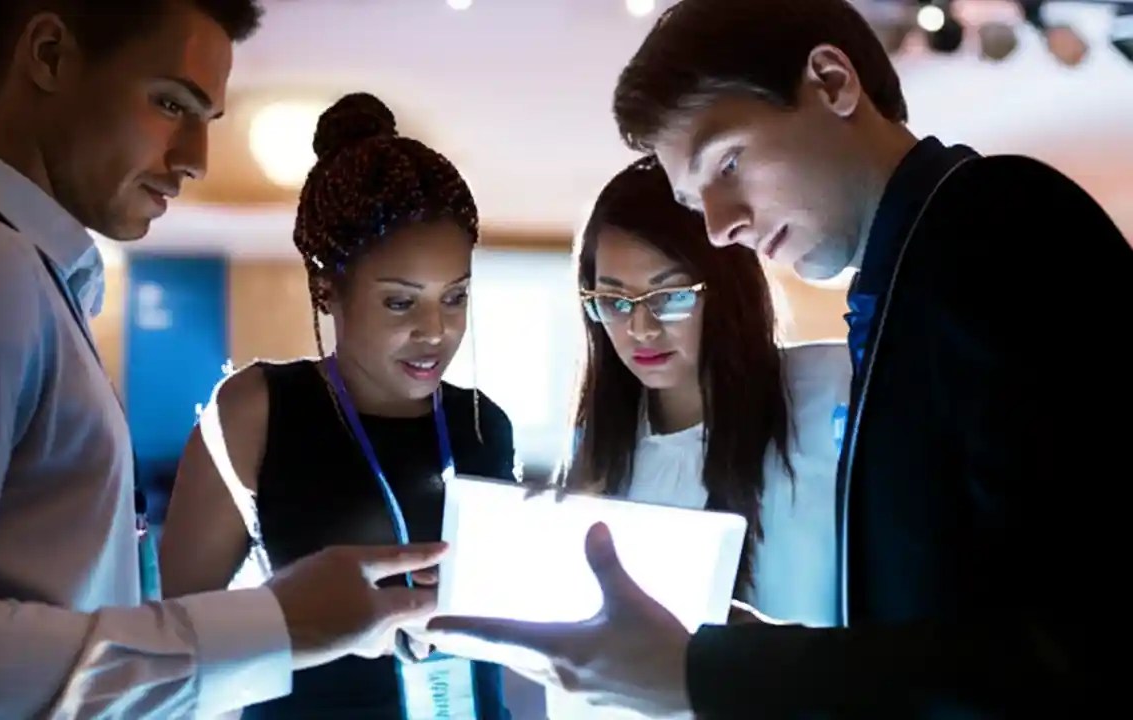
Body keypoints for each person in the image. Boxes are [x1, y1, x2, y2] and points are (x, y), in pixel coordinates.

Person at [429, 0, 1130, 716]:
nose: (722, 227)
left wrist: (713, 673)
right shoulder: (907, 285)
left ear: (832, 82)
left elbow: (1083, 642)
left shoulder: (994, 225)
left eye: (728, 162)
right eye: (695, 201)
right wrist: (756, 652)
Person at [0, 3, 444, 717]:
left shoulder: (16, 277)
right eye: (170, 104)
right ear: (48, 54)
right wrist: (277, 627)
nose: (196, 158)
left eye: (207, 119)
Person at [158, 92, 519, 719]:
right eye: (401, 303)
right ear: (327, 290)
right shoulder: (258, 410)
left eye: (455, 297)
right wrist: (298, 622)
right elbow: (168, 641)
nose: (436, 331)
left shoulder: (485, 424)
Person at [549, 154, 847, 718]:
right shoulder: (598, 450)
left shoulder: (826, 389)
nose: (640, 328)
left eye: (670, 295)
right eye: (614, 301)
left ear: (727, 287)